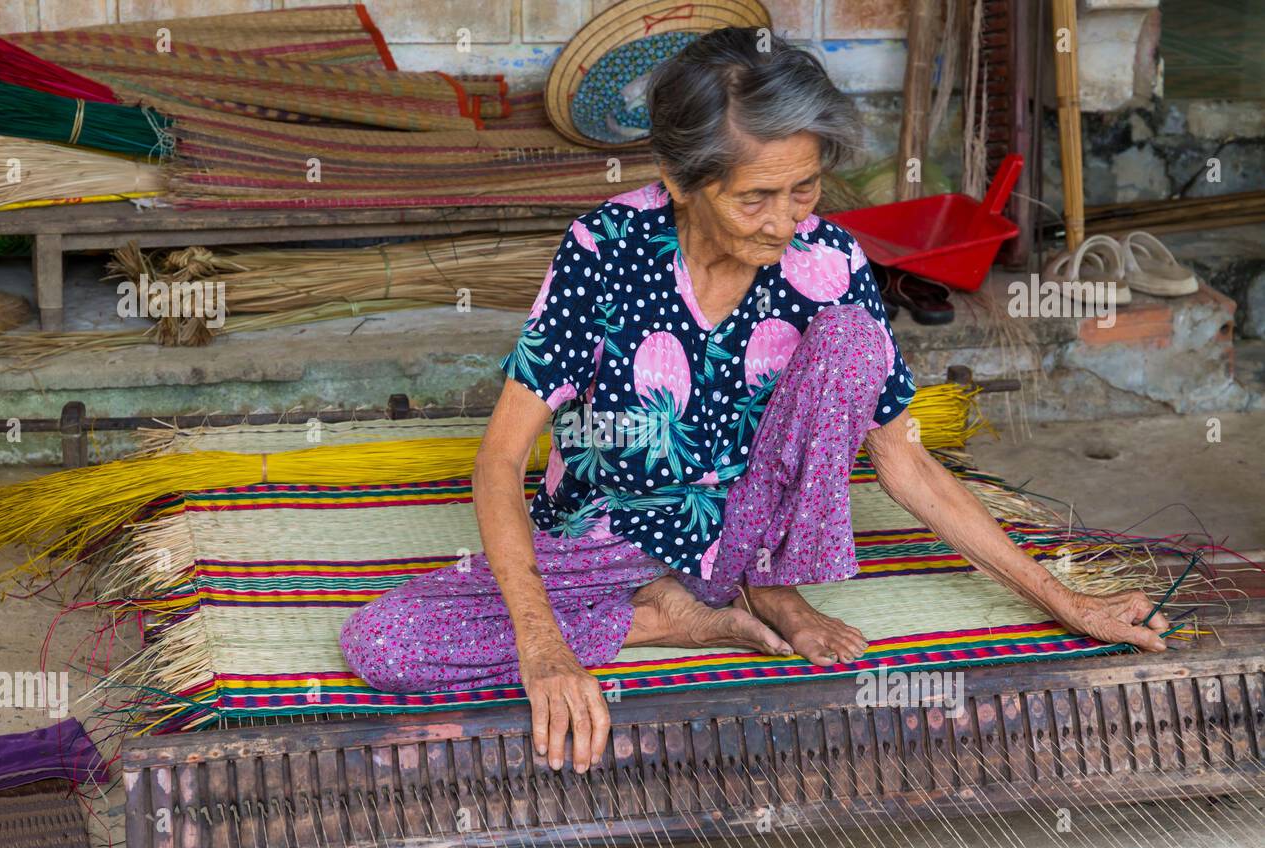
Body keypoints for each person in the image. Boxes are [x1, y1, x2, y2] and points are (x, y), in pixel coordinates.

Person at [340, 28, 1169, 775]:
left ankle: (769, 584)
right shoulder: (605, 250)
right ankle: (671, 619)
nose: (784, 223)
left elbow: (905, 461)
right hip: (610, 532)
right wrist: (544, 644)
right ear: (678, 181)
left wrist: (1066, 604)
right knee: (384, 642)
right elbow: (497, 456)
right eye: (754, 198)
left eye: (803, 188)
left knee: (850, 339)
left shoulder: (829, 261)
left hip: (750, 526)